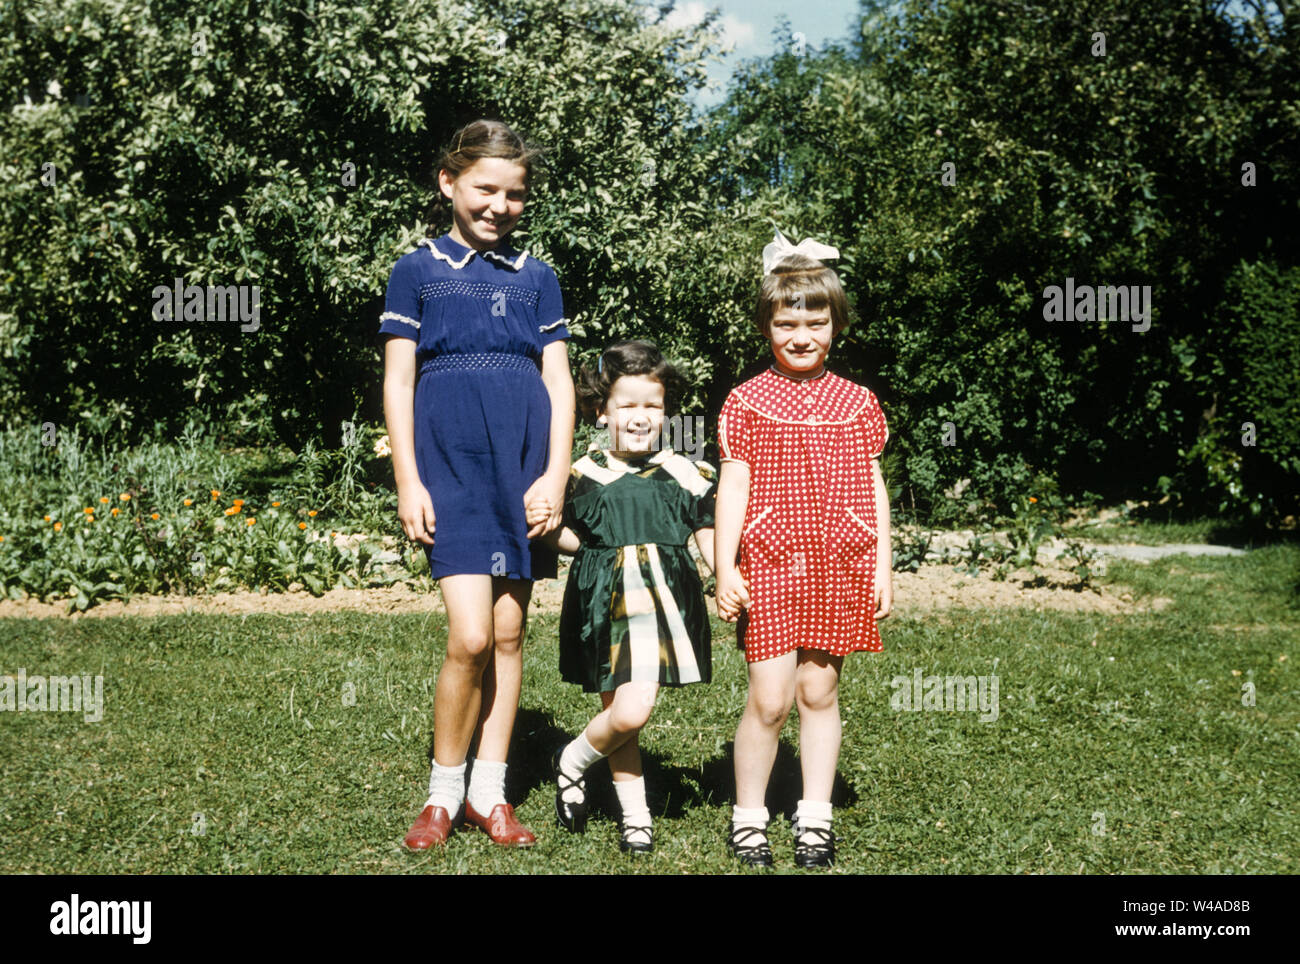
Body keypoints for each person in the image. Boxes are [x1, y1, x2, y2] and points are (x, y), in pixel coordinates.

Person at [378, 119, 574, 849]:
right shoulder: (417, 271)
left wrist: (554, 474)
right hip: (451, 472)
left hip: (521, 471)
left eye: (515, 194)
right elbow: (399, 382)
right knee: (468, 636)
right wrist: (408, 480)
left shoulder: (537, 278)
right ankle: (442, 792)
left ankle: (489, 795)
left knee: (509, 632)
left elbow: (559, 382)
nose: (499, 205)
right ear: (449, 183)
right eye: (485, 189)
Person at [713, 233, 892, 868]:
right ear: (767, 326)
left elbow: (873, 485)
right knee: (771, 699)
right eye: (787, 323)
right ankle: (749, 818)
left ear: (835, 326)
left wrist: (883, 567)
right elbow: (732, 485)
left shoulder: (859, 401)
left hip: (840, 563)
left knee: (819, 694)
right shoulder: (746, 401)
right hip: (769, 564)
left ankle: (815, 817)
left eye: (815, 322)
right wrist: (724, 565)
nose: (801, 335)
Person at [537, 341, 716, 854]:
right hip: (604, 601)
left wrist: (725, 574)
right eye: (628, 406)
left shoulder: (685, 472)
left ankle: (571, 761)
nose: (641, 418)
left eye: (652, 406)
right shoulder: (580, 473)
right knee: (623, 711)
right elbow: (562, 533)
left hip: (663, 602)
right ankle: (635, 815)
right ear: (602, 410)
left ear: (666, 411)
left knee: (632, 709)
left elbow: (704, 530)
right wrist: (578, 543)